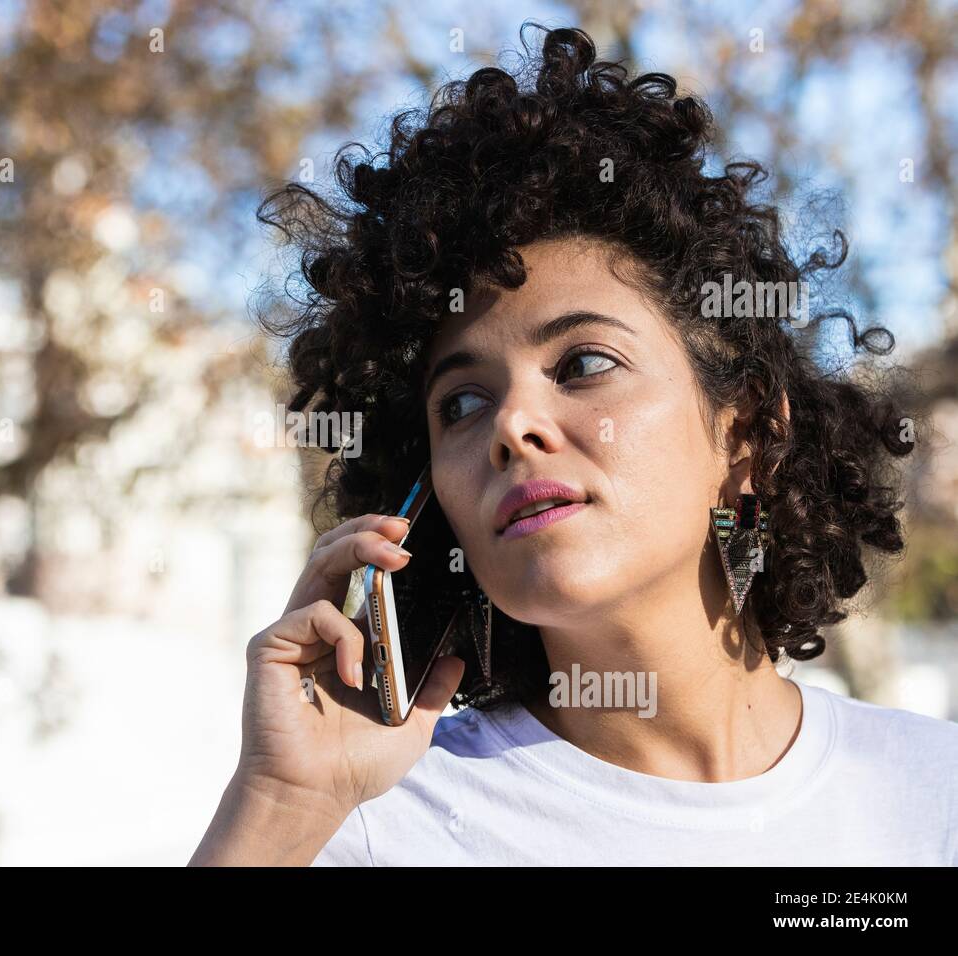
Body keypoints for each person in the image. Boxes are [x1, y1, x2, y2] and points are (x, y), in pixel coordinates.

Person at [188, 24, 958, 866]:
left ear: (747, 433)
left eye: (584, 363)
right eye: (463, 403)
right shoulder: (368, 827)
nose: (513, 427)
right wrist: (279, 807)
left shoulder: (931, 795)